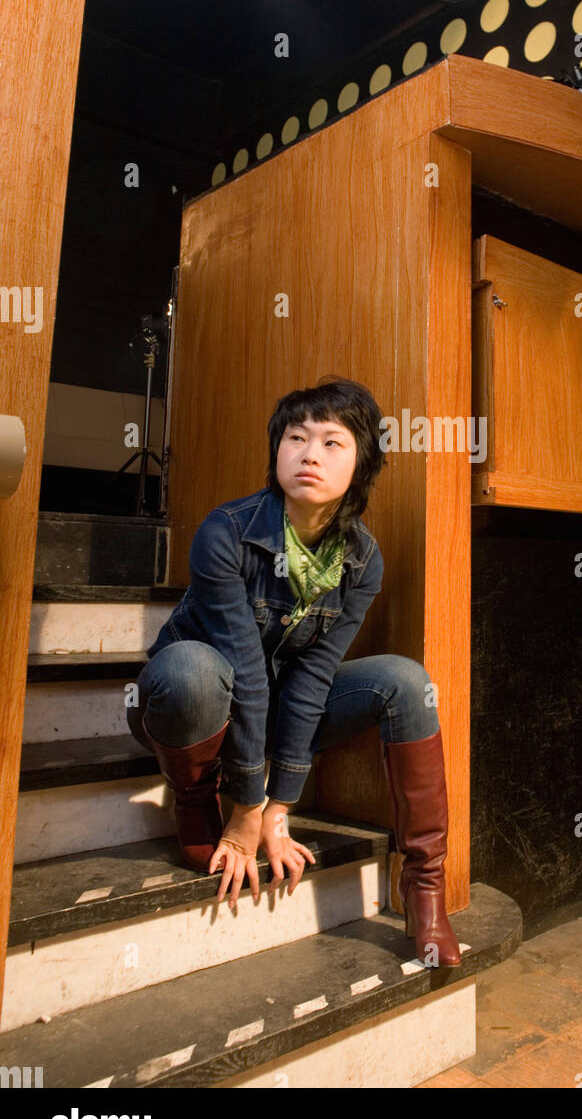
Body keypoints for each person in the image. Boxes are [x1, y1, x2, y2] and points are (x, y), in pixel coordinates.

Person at [128, 376, 461, 968]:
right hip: (187, 705)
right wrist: (247, 813)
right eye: (296, 437)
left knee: (406, 681)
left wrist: (281, 808)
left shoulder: (362, 559)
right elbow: (247, 674)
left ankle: (426, 886)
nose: (309, 453)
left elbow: (310, 678)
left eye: (333, 442)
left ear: (361, 466)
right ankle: (196, 798)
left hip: (272, 711)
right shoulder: (227, 532)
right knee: (194, 669)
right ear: (276, 451)